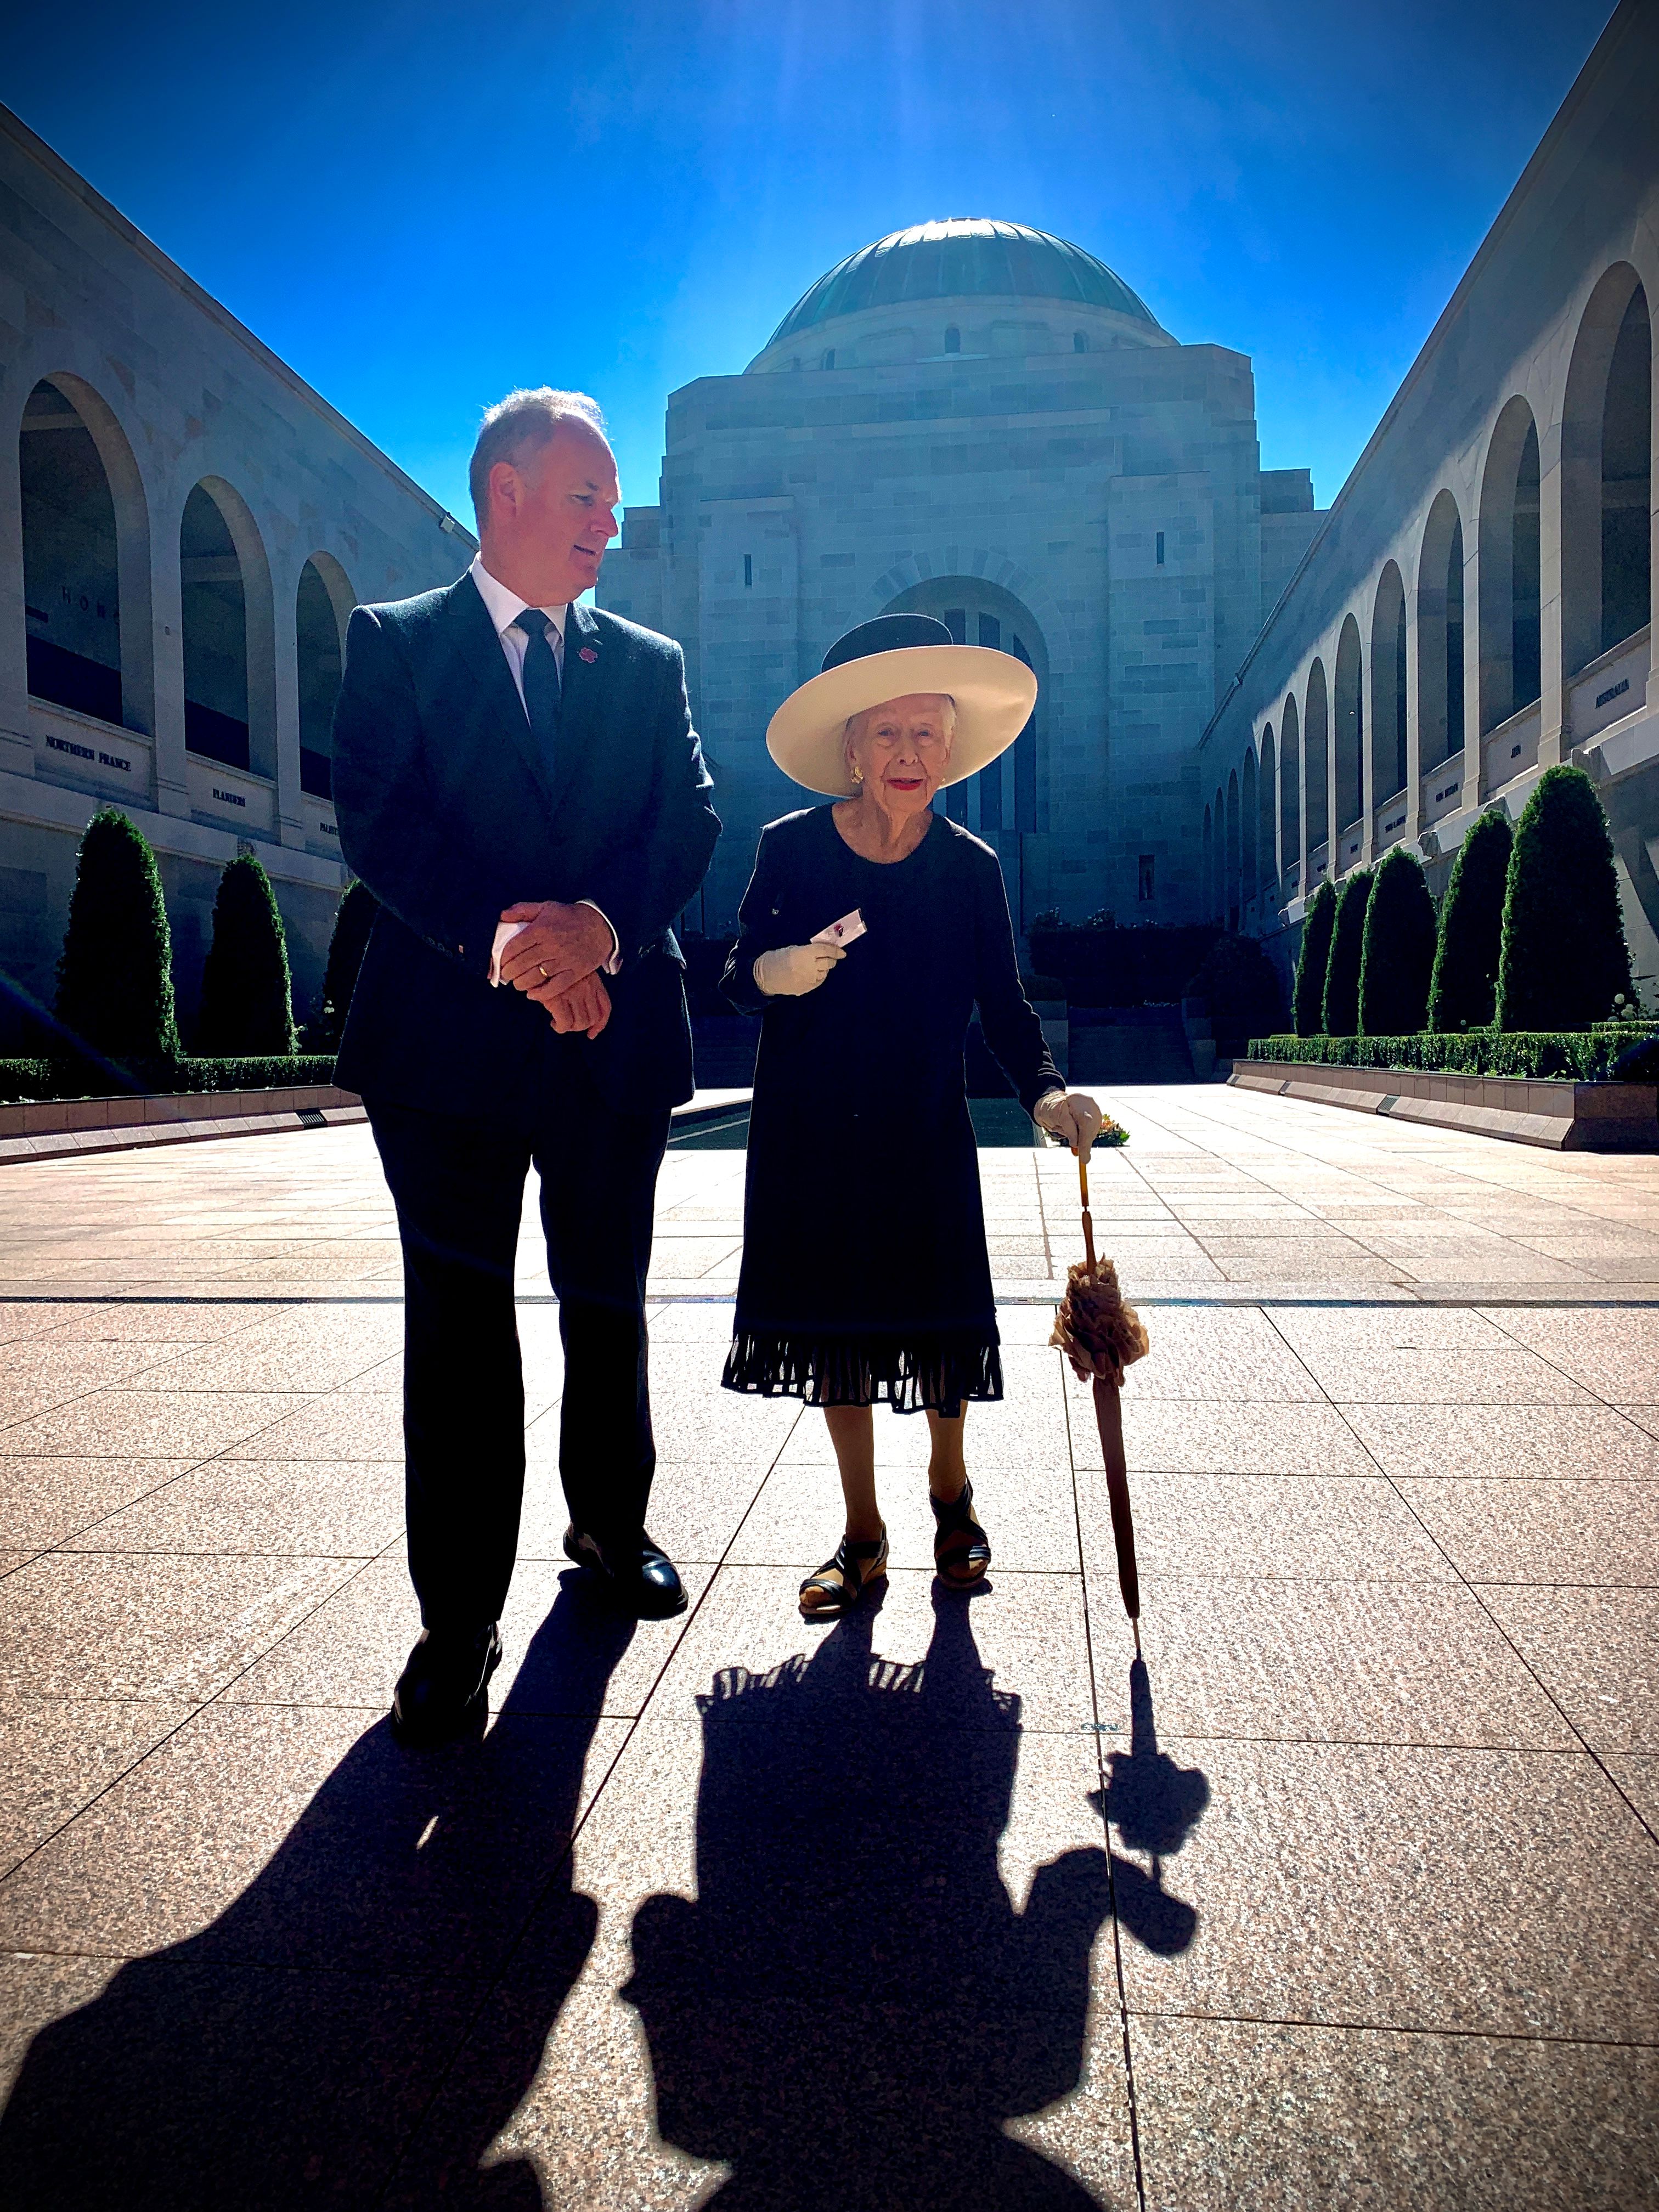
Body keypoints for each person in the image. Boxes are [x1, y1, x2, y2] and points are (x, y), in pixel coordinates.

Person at [331, 387, 719, 1746]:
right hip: (443, 1047)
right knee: (458, 1331)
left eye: (609, 499)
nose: (611, 522)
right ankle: (457, 1624)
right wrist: (520, 949)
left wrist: (598, 935)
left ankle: (610, 1528)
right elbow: (379, 823)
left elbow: (689, 818)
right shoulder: (395, 644)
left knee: (606, 1300)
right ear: (506, 491)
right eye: (586, 496)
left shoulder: (649, 664)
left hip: (615, 1037)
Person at [719, 614, 1103, 1617]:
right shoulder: (790, 850)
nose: (907, 753)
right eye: (886, 733)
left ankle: (949, 1493)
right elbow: (732, 976)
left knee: (939, 1332)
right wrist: (774, 970)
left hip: (922, 1134)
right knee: (834, 1340)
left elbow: (1005, 1007)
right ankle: (862, 1534)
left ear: (951, 748)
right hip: (808, 1137)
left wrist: (1048, 1093)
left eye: (925, 733)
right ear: (852, 749)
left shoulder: (971, 868)